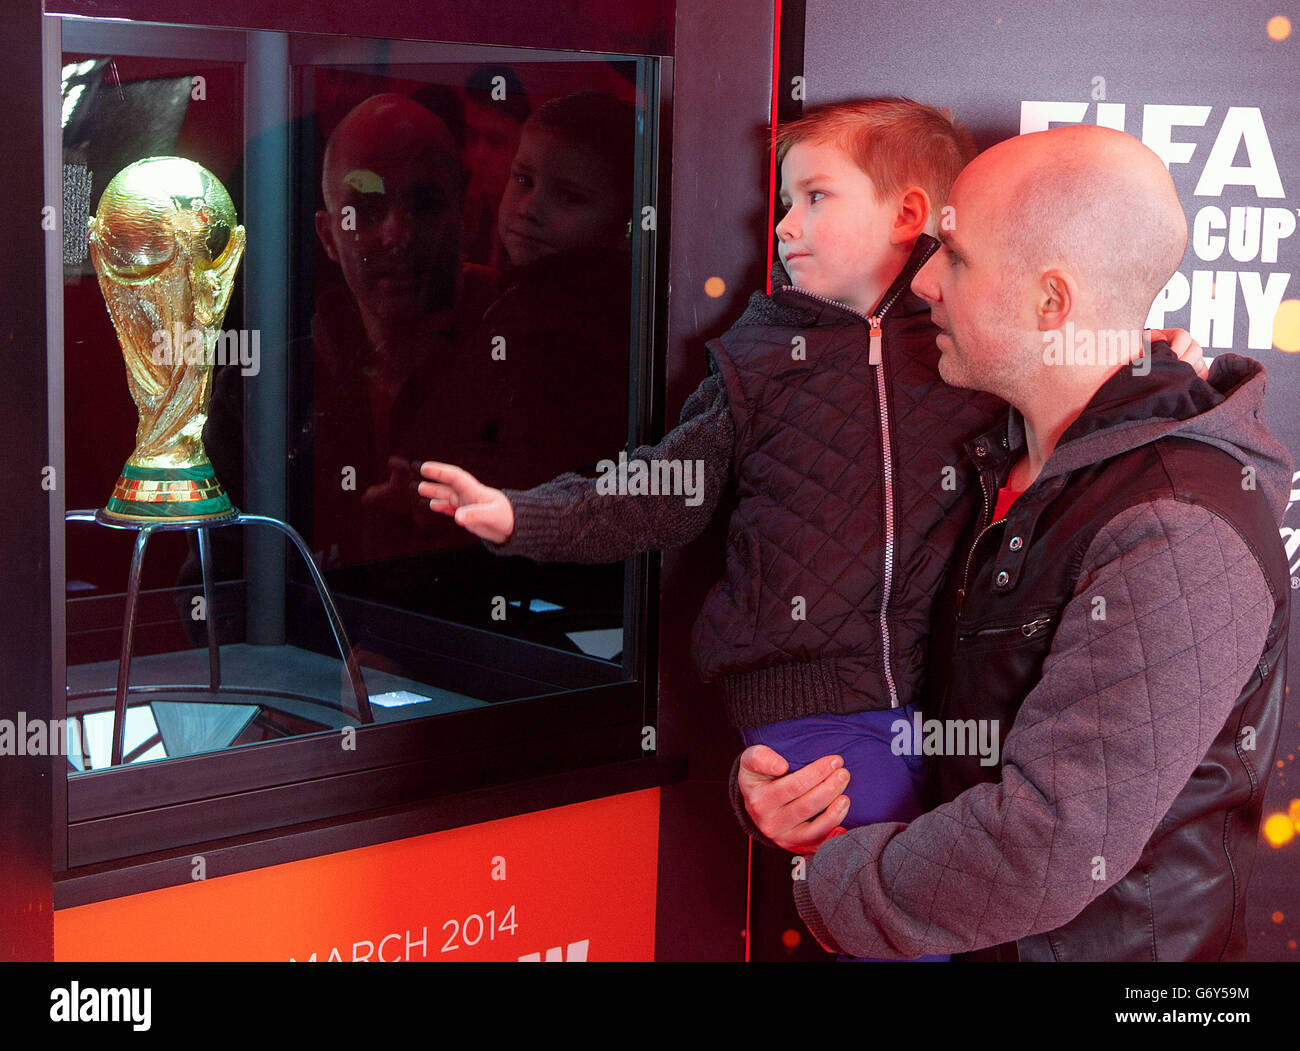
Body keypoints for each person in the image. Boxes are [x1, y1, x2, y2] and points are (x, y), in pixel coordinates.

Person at [743, 123, 1290, 961]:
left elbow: (1042, 844)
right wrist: (797, 782)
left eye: (955, 257)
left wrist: (829, 883)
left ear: (1051, 302)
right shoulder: (995, 455)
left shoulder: (1177, 526)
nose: (922, 278)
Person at [421, 99, 1004, 867]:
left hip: (960, 705)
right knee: (896, 915)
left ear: (909, 212)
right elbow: (662, 488)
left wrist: (1161, 357)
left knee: (976, 903)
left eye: (815, 198)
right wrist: (521, 515)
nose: (785, 226)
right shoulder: (758, 355)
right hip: (814, 715)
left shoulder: (977, 345)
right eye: (784, 203)